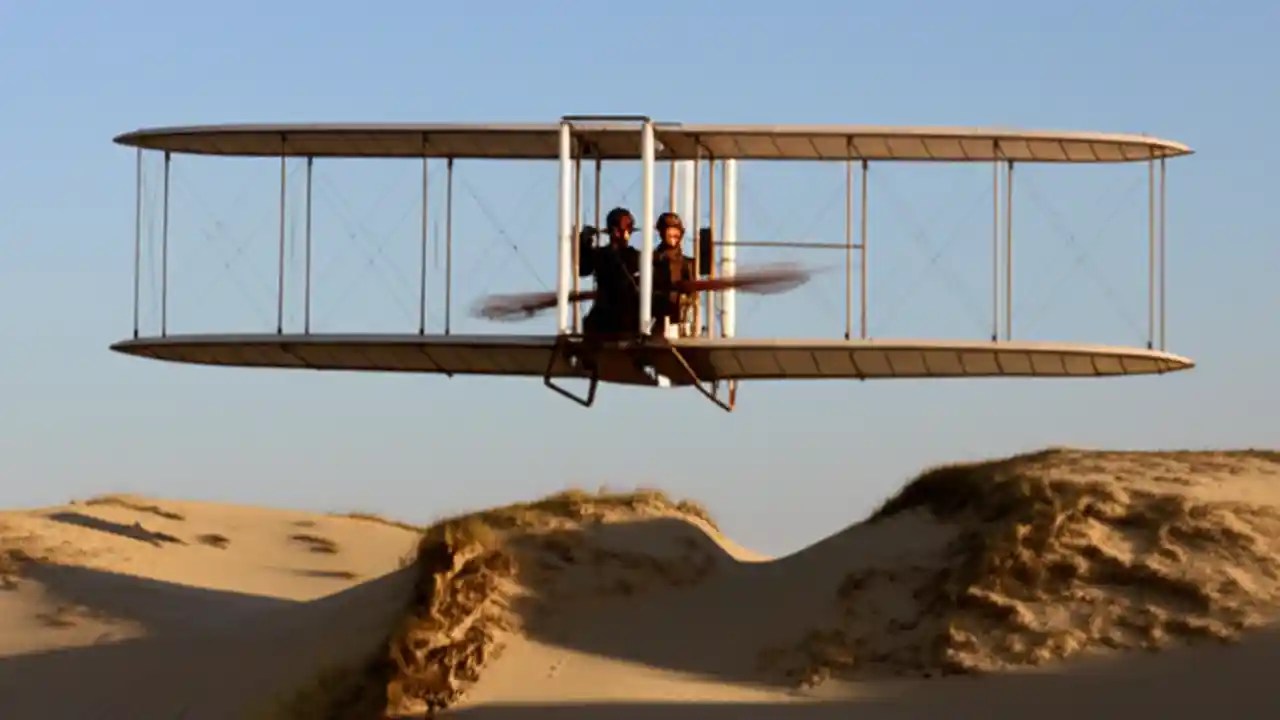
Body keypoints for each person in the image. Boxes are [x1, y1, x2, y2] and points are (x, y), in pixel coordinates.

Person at [577, 207, 641, 336]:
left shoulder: (634, 256)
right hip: (605, 313)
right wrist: (583, 245)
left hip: (627, 314)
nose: (624, 234)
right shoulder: (601, 254)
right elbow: (584, 269)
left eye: (628, 230)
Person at [651, 211, 697, 337]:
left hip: (681, 322)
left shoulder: (688, 264)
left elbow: (692, 295)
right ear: (661, 232)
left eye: (676, 230)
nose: (673, 234)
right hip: (656, 321)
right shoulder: (652, 260)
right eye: (669, 230)